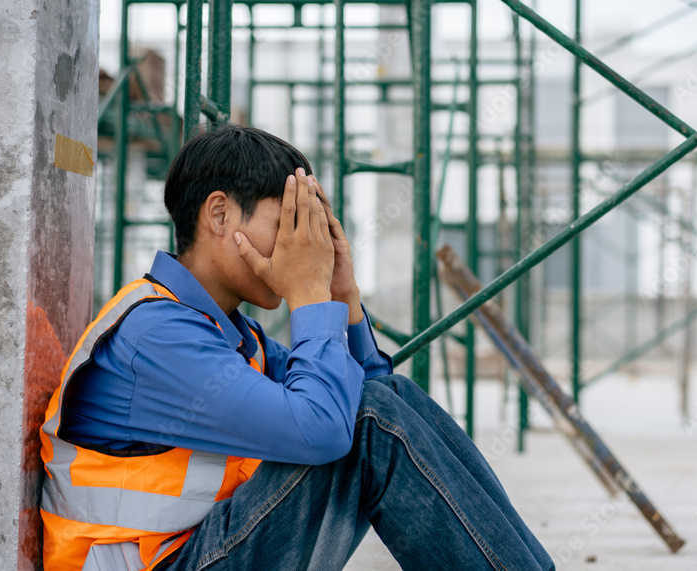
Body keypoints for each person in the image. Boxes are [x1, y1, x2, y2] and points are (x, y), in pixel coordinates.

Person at [39, 125, 554, 571]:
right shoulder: (156, 335)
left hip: (195, 552)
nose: (304, 244)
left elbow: (368, 393)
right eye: (290, 223)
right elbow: (330, 429)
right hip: (165, 562)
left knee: (386, 398)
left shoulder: (228, 334)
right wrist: (308, 295)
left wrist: (341, 298)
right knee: (368, 420)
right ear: (219, 215)